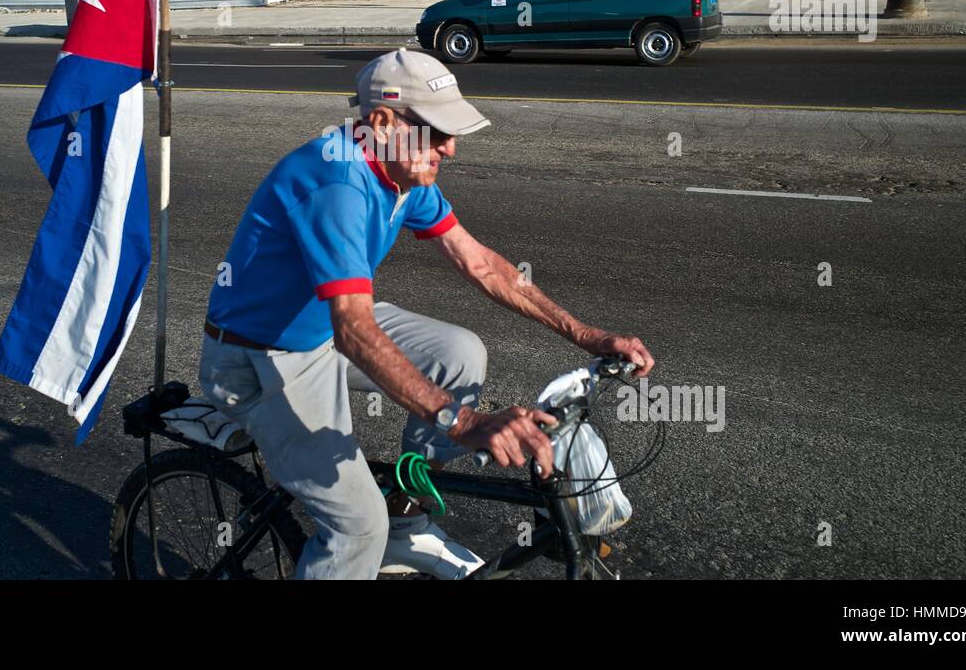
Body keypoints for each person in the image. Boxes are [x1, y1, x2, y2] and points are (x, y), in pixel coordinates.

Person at [200, 48, 654, 579]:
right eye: (437, 133)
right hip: (264, 354)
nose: (451, 149)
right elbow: (355, 330)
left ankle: (405, 520)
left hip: (325, 326)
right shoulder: (336, 185)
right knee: (355, 527)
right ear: (382, 121)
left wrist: (589, 336)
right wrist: (462, 422)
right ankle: (375, 531)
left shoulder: (400, 172)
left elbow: (481, 264)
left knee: (458, 353)